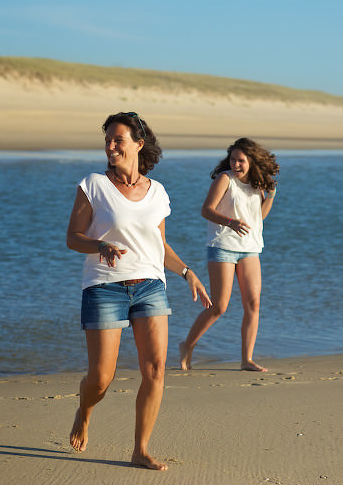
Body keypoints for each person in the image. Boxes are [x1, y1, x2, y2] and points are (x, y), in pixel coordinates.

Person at [66, 111, 211, 470]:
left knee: (156, 370)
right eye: (108, 140)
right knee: (100, 378)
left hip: (149, 286)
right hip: (104, 287)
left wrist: (187, 272)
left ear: (138, 144)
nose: (111, 146)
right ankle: (84, 409)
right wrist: (100, 245)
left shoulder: (157, 192)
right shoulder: (94, 185)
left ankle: (140, 449)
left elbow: (159, 245)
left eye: (119, 140)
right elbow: (73, 237)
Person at [179, 138, 278, 372]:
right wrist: (230, 222)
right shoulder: (225, 179)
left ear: (251, 161)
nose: (236, 164)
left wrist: (271, 195)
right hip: (222, 245)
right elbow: (207, 210)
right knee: (219, 306)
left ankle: (246, 360)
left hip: (250, 247)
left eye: (241, 160)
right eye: (233, 159)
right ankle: (187, 345)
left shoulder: (257, 183)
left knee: (253, 303)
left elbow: (259, 218)